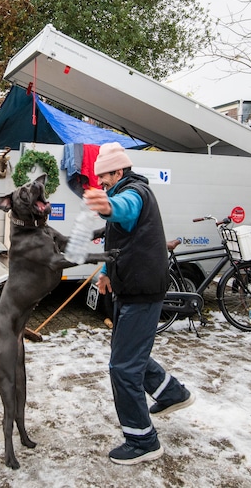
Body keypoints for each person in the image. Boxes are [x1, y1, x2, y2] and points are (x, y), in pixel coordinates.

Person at [83, 142, 193, 465]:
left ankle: (142, 440)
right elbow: (118, 239)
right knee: (127, 354)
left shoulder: (135, 193)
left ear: (118, 172)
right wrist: (105, 272)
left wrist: (107, 205)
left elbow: (124, 209)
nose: (101, 182)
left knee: (122, 367)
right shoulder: (124, 191)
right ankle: (172, 393)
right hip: (130, 289)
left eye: (104, 176)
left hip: (142, 292)